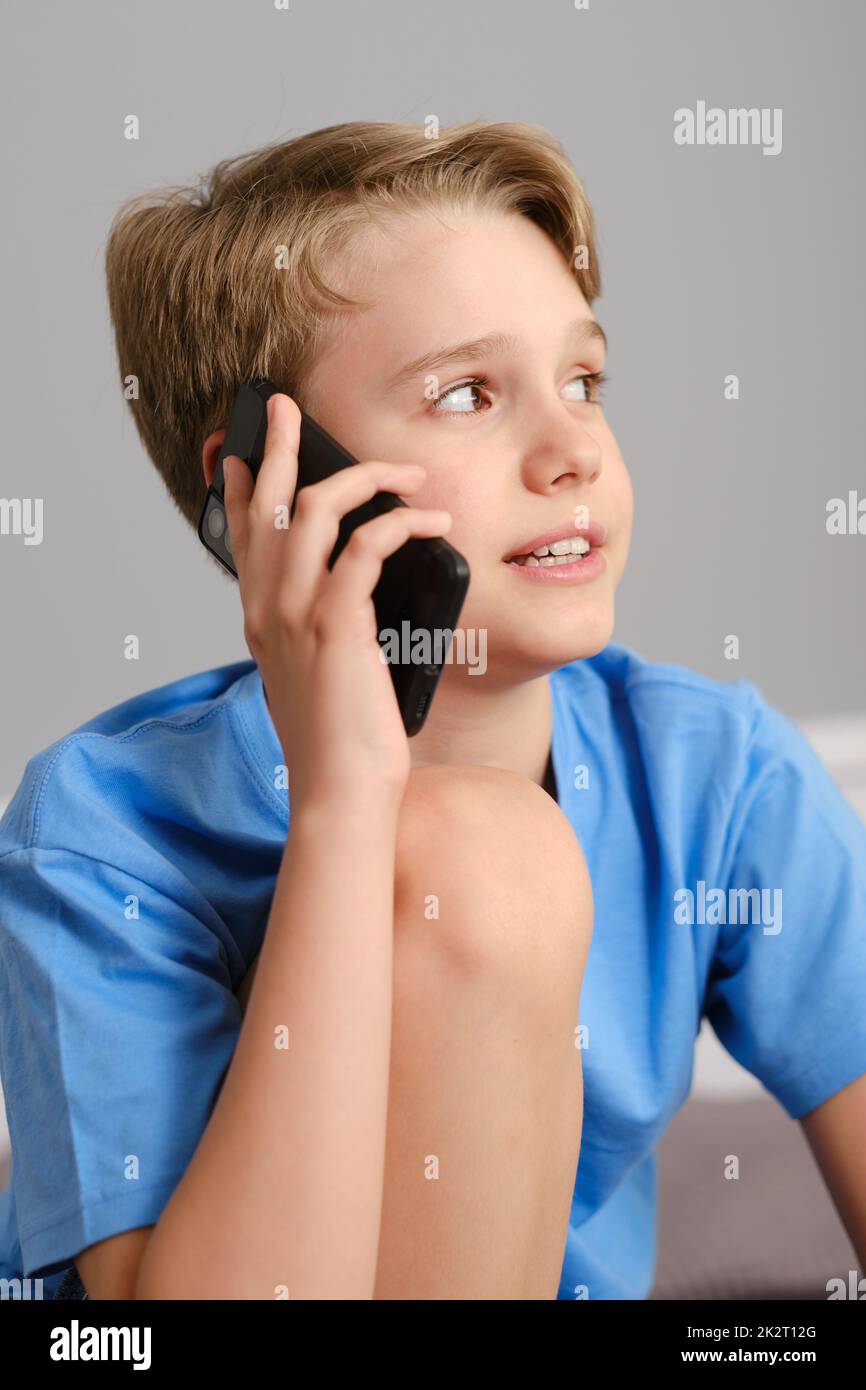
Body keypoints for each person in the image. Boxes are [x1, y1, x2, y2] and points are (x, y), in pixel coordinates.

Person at [1, 119, 864, 1302]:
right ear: (264, 489)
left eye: (582, 380)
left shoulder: (716, 776)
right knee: (480, 852)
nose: (571, 450)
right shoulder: (101, 831)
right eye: (467, 393)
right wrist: (347, 808)